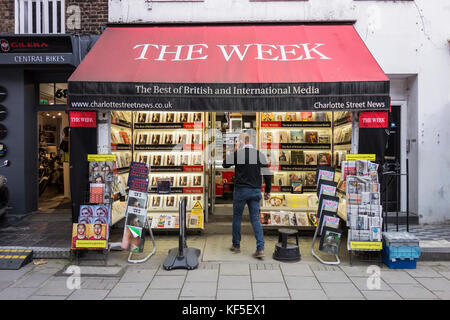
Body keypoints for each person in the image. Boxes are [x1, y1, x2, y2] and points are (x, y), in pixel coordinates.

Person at [223, 131, 272, 259]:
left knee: (237, 217)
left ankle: (236, 245)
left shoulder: (238, 154)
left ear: (240, 142)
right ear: (251, 141)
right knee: (255, 219)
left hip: (241, 191)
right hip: (256, 191)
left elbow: (225, 164)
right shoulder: (260, 155)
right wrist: (267, 191)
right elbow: (267, 175)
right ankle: (260, 249)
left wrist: (234, 150)